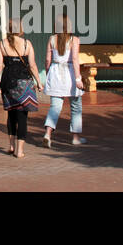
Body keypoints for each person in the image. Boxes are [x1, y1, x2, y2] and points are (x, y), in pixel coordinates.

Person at [0, 19, 42, 157]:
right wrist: (39, 82)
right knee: (22, 117)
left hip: (8, 83)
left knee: (11, 114)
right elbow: (32, 65)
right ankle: (20, 151)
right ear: (20, 28)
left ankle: (11, 146)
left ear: (8, 29)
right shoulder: (27, 44)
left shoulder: (1, 44)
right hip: (24, 84)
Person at [42, 14, 84, 146]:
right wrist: (78, 78)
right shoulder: (74, 40)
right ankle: (75, 138)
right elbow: (75, 59)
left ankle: (48, 134)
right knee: (76, 106)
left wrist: (49, 73)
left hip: (55, 72)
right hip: (70, 73)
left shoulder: (52, 39)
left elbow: (48, 59)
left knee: (55, 106)